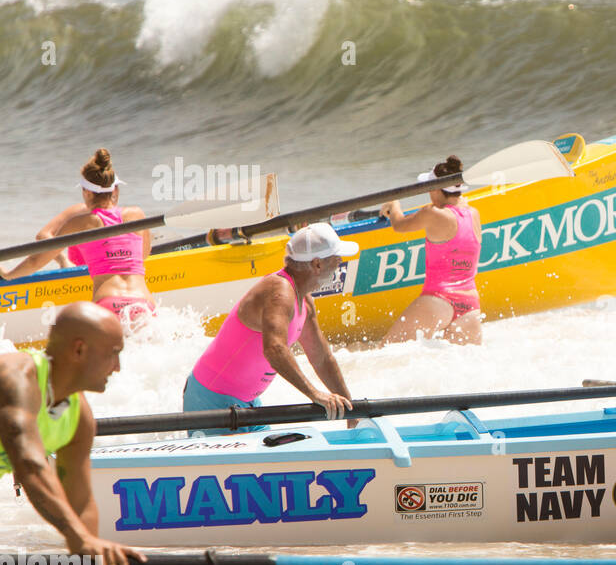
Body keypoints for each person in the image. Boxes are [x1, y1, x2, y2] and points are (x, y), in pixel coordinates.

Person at [0, 303, 144, 565]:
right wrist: (79, 537)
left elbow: (82, 502)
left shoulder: (80, 419)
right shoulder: (15, 378)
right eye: (114, 354)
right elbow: (30, 466)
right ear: (79, 349)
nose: (118, 367)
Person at [183, 223, 355, 428]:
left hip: (248, 403)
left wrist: (351, 411)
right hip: (211, 400)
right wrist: (314, 394)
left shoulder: (305, 300)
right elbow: (275, 349)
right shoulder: (279, 292)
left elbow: (322, 358)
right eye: (336, 259)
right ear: (317, 264)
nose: (339, 263)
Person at [1, 148, 155, 325]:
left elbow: (36, 260)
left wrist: (8, 274)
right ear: (115, 190)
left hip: (108, 304)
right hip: (143, 302)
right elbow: (143, 254)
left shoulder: (79, 223)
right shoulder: (137, 214)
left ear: (87, 193)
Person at [380, 156, 483, 345]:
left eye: (428, 188)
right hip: (471, 305)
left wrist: (393, 205)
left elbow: (399, 225)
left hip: (439, 299)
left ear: (435, 189)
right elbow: (458, 204)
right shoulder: (474, 214)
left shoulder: (432, 213)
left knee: (386, 350)